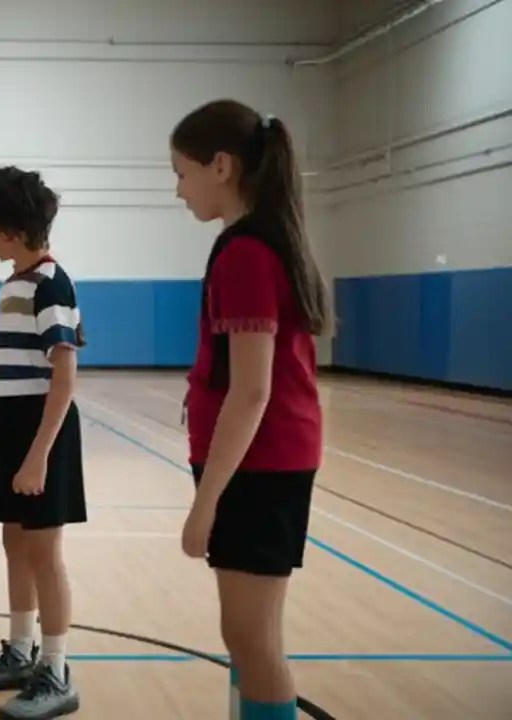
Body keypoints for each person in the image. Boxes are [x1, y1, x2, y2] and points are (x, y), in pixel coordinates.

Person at [171, 100, 327, 720]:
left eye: (181, 173)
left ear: (222, 167)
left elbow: (254, 390)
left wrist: (204, 504)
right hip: (260, 464)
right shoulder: (254, 244)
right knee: (248, 635)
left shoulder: (246, 254)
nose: (178, 190)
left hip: (257, 471)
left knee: (251, 639)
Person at [0, 166, 86, 720]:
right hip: (13, 422)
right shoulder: (13, 282)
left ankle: (55, 670)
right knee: (14, 542)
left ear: (9, 228)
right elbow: (9, 369)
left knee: (44, 552)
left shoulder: (52, 283)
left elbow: (65, 377)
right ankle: (19, 651)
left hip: (44, 428)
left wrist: (37, 455)